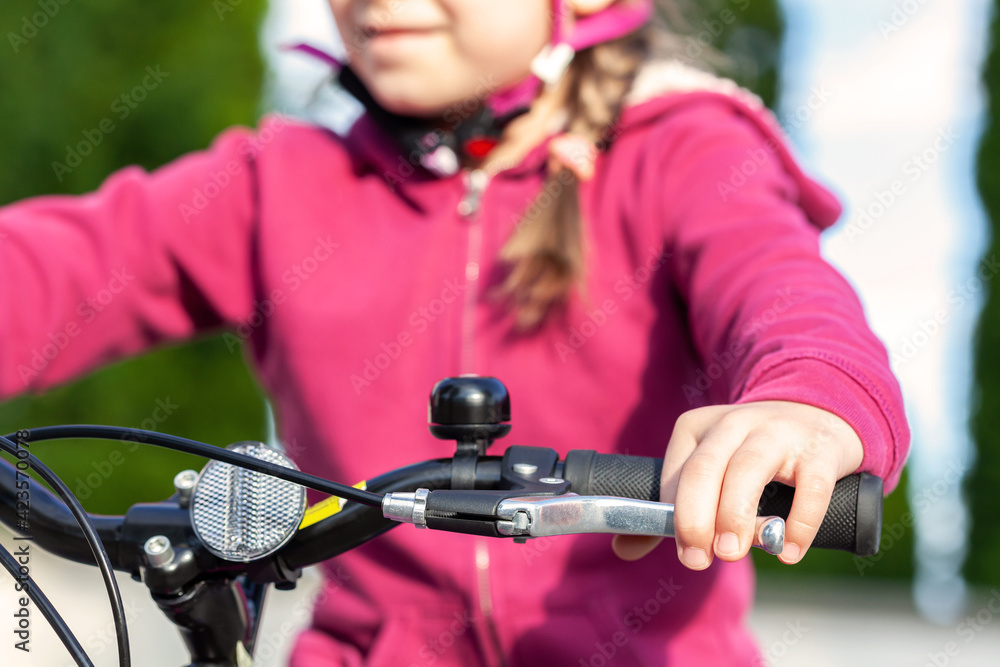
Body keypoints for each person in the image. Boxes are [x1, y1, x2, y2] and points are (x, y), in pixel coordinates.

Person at [0, 0, 910, 664]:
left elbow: (784, 293)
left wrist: (803, 401)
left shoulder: (683, 149)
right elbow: (60, 268)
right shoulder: (278, 184)